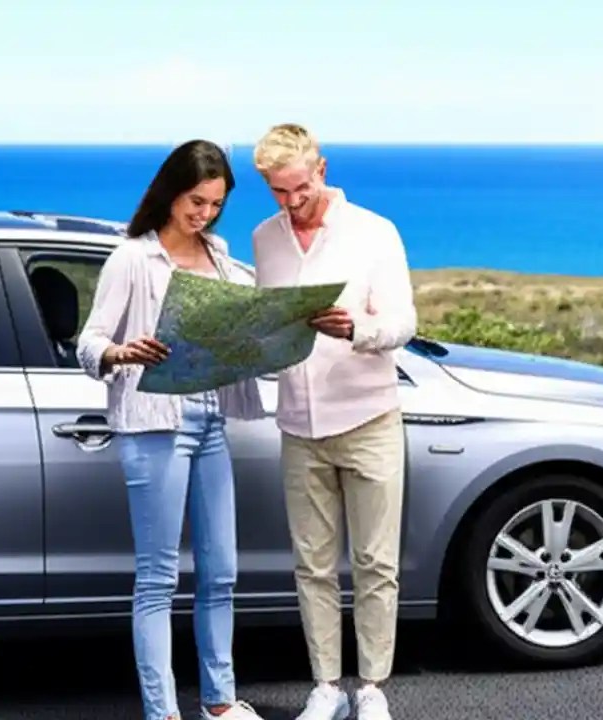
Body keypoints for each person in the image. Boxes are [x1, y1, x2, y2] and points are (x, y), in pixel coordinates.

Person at [76, 140, 267, 720]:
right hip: (154, 426)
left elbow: (239, 332)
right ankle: (163, 713)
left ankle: (220, 702)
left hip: (211, 421)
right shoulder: (132, 258)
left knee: (222, 573)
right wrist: (120, 352)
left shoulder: (222, 256)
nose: (204, 214)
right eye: (195, 201)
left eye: (214, 204)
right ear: (170, 191)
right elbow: (87, 344)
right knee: (159, 578)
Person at [250, 123, 417, 720]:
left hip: (369, 418)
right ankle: (326, 686)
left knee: (376, 563)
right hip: (298, 424)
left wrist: (359, 330)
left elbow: (403, 322)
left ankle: (372, 689)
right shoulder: (264, 239)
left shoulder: (375, 232)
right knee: (312, 565)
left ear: (320, 167)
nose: (291, 202)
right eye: (277, 193)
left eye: (299, 188)